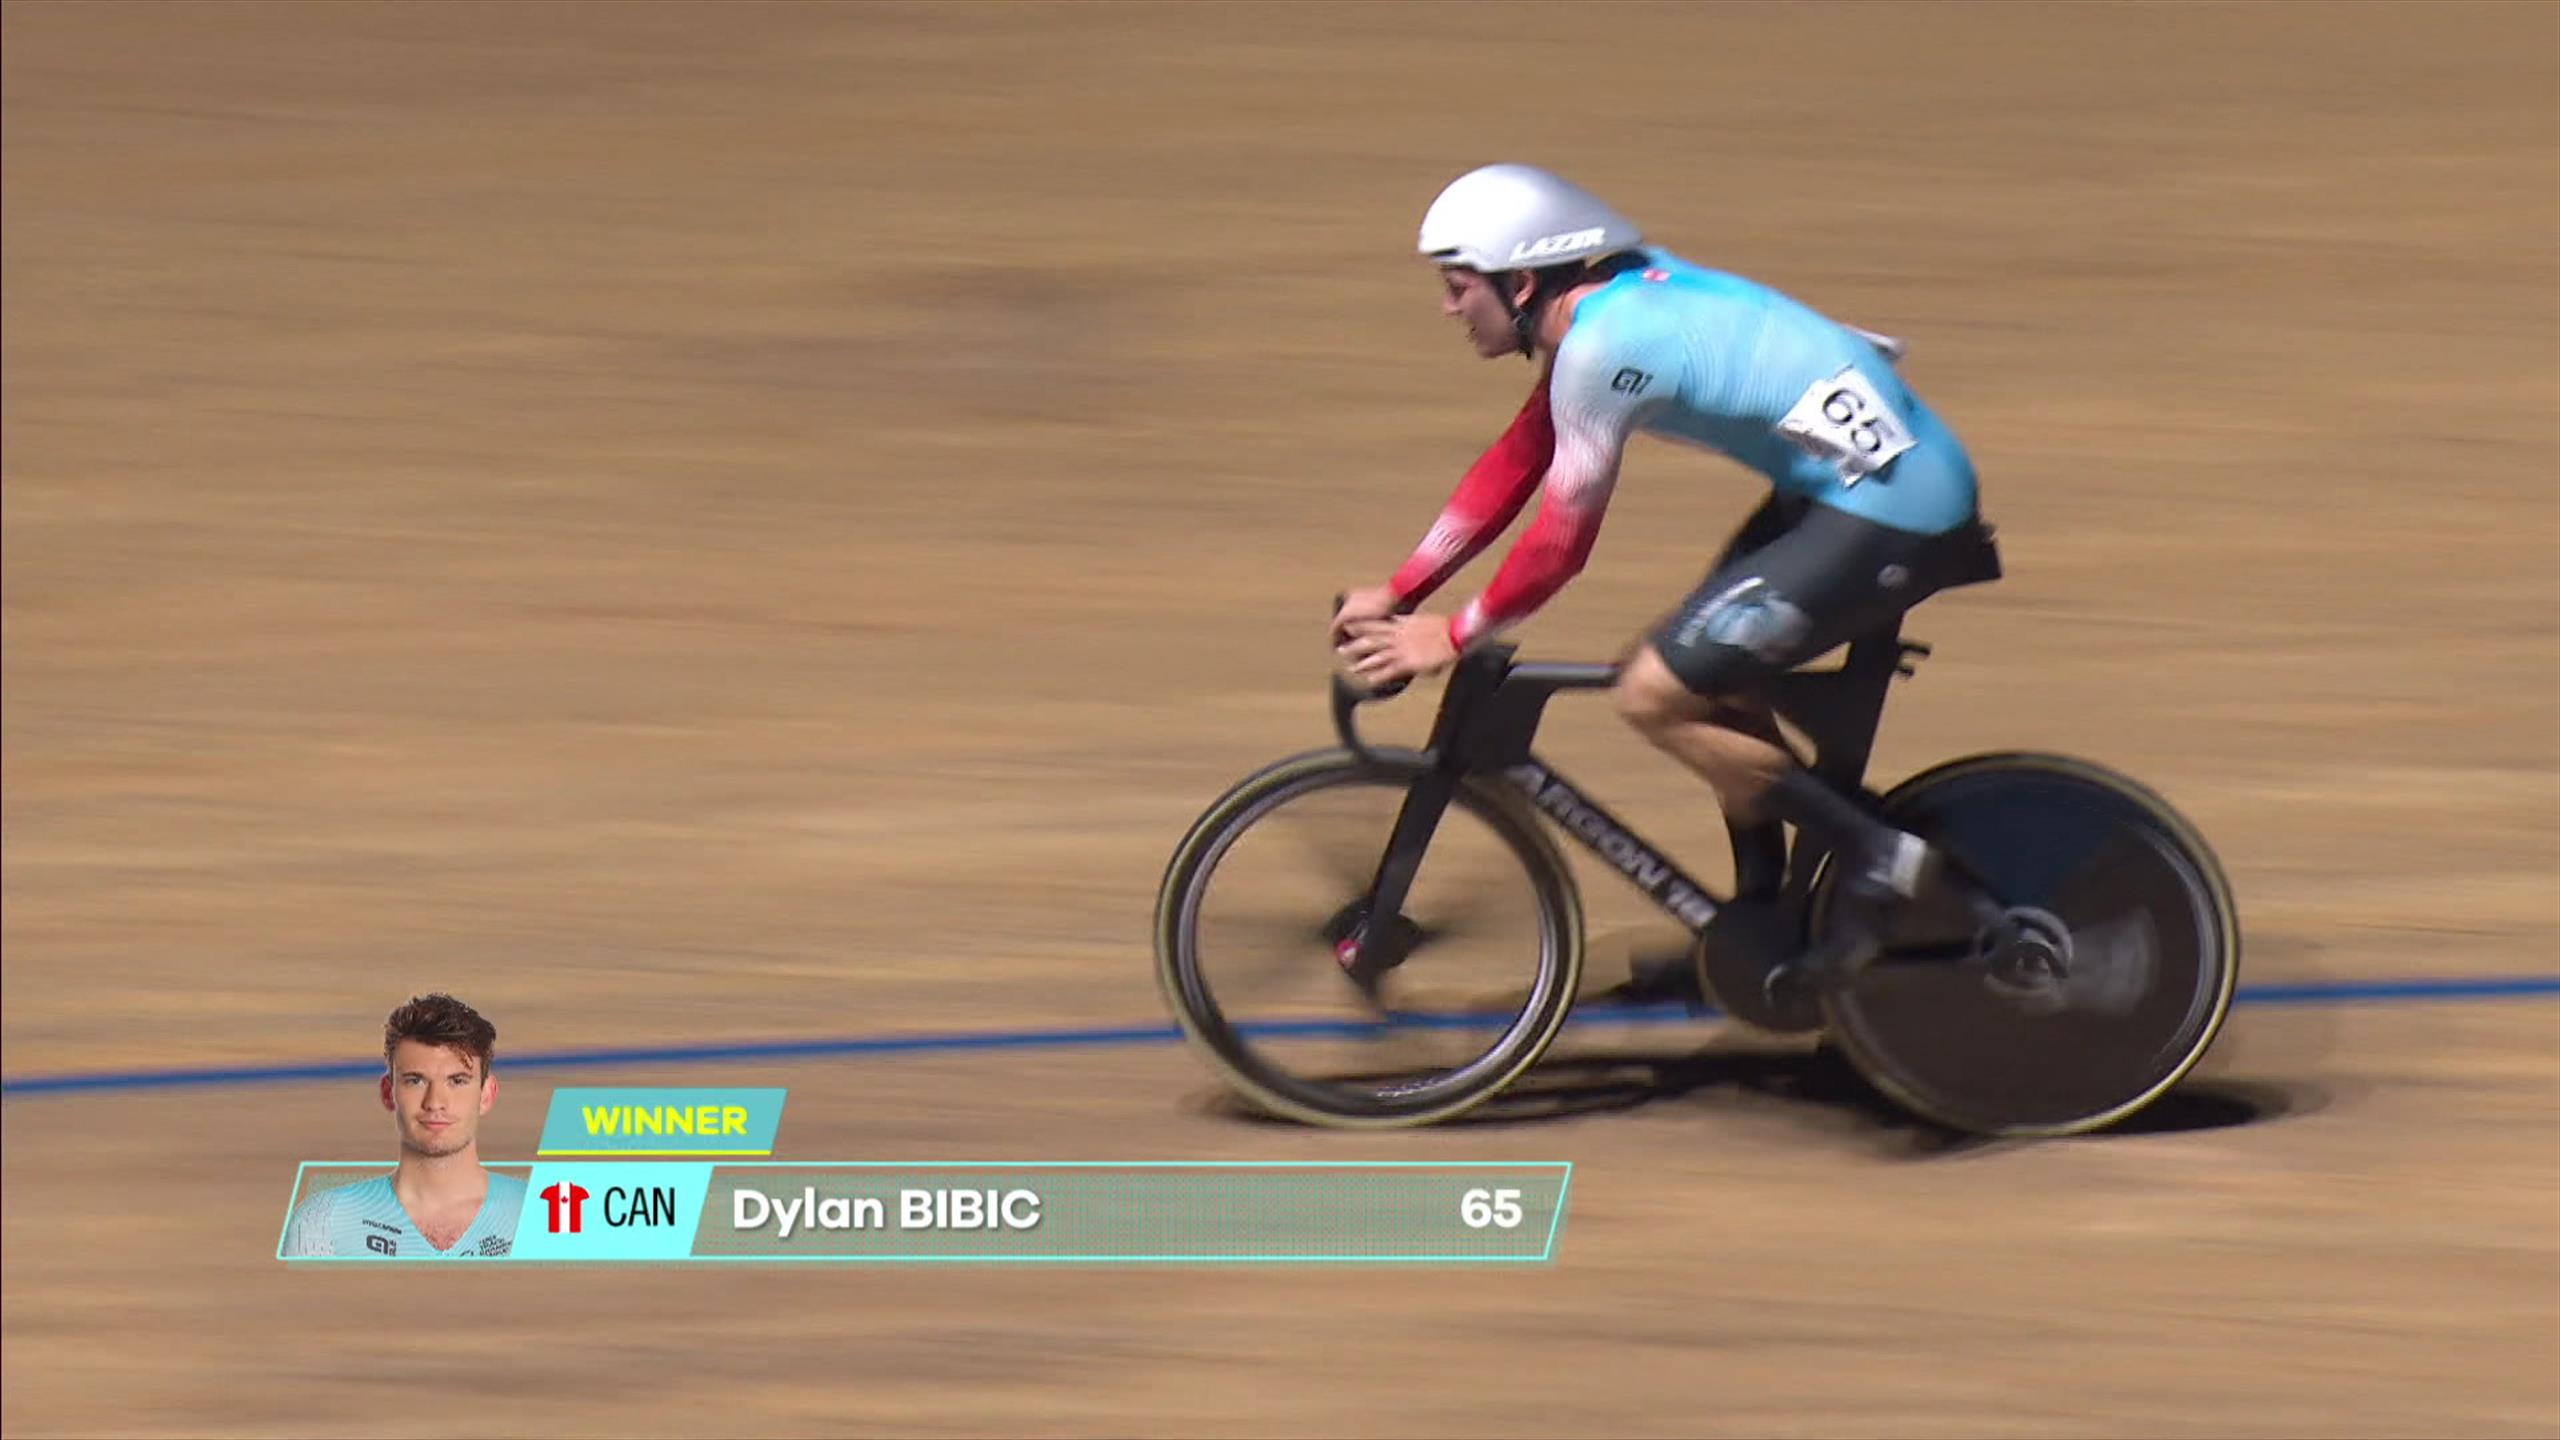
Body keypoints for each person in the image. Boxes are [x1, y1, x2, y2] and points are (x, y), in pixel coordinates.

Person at [1333, 163, 1997, 978]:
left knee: (1653, 691)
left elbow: (1561, 541)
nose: (1447, 307)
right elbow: (1517, 462)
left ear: (1522, 282)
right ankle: (1761, 919)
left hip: (1893, 513)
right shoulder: (1606, 303)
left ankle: (1886, 862)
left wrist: (1459, 631)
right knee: (1710, 673)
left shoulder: (1610, 345)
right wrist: (1404, 590)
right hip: (1846, 491)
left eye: (1457, 285)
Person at [281, 993, 527, 1258]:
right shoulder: (324, 1222)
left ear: (487, 1094)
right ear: (388, 1093)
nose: (435, 1103)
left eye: (457, 1081)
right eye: (415, 1081)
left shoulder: (548, 1216)